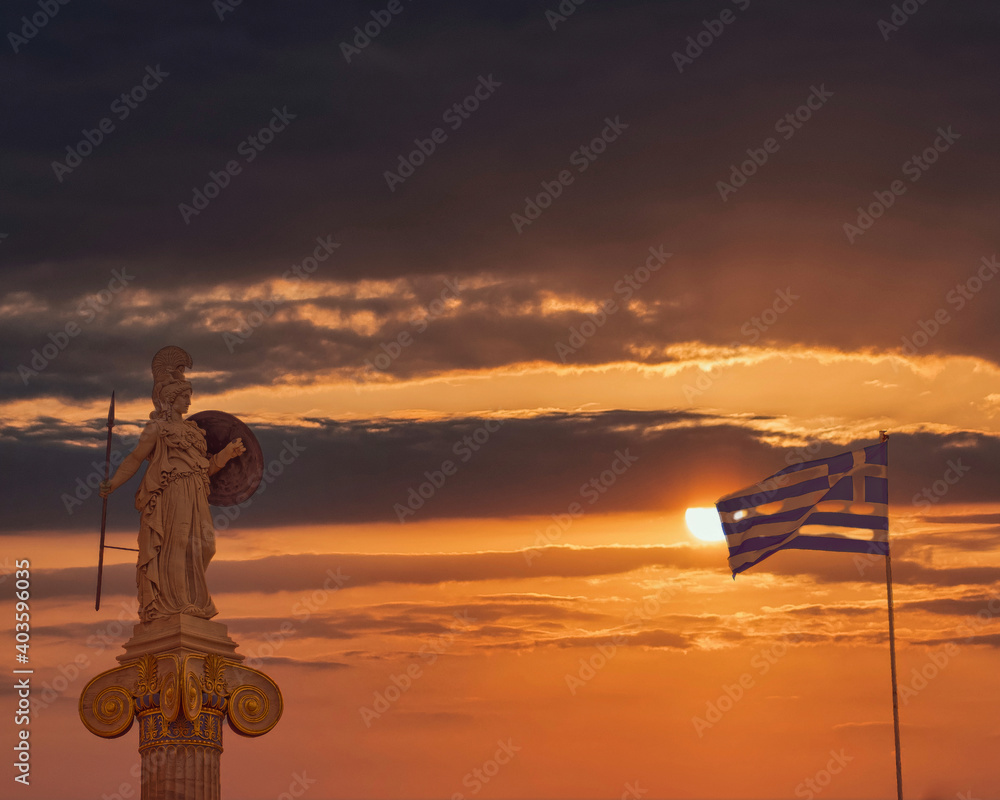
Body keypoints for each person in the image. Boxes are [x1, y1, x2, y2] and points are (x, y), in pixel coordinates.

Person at [100, 347, 244, 623]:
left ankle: (190, 600)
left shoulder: (194, 432)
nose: (189, 402)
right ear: (170, 399)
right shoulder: (157, 429)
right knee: (177, 545)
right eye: (184, 396)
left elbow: (206, 467)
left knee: (204, 546)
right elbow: (135, 458)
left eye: (189, 396)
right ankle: (176, 604)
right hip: (172, 491)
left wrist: (226, 454)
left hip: (197, 491)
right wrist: (113, 483)